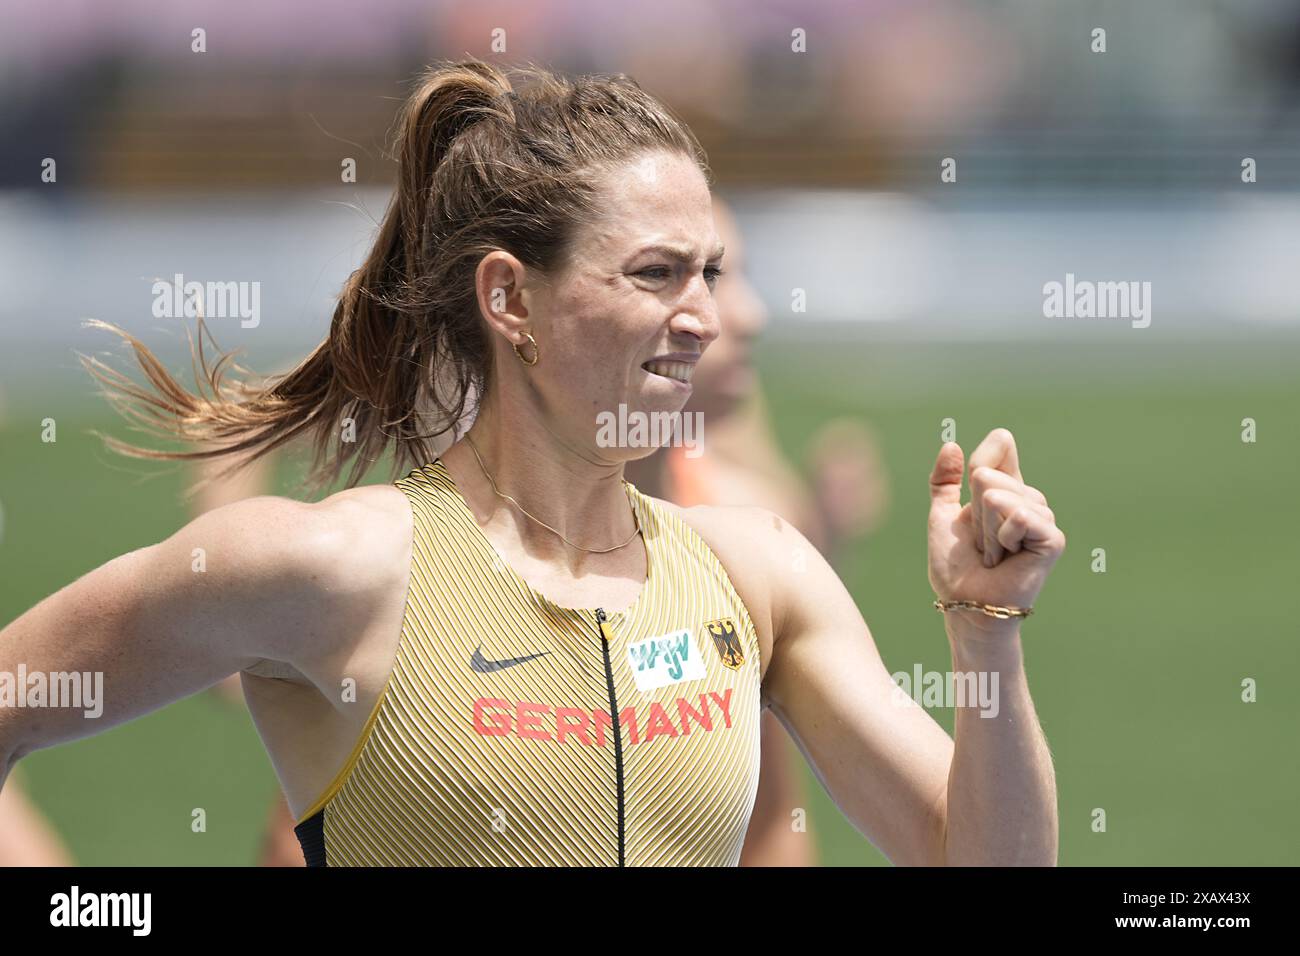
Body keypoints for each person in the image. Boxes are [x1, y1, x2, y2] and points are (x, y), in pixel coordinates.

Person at [0, 59, 1064, 866]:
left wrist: (985, 633)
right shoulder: (334, 569)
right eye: (655, 274)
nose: (707, 318)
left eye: (712, 272)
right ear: (511, 298)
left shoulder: (757, 572)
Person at [624, 195, 892, 866]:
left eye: (726, 276)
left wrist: (986, 632)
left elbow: (774, 822)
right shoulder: (439, 547)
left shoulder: (737, 537)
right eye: (708, 278)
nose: (747, 316)